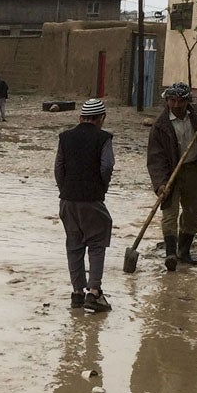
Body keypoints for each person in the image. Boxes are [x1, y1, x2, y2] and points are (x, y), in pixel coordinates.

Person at [147, 82, 197, 270]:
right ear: (167, 101)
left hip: (193, 169)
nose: (176, 105)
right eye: (172, 101)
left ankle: (183, 251)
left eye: (180, 101)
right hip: (170, 173)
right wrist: (160, 184)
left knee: (194, 211)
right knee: (169, 213)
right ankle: (170, 254)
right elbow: (155, 158)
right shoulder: (160, 126)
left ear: (187, 101)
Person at [54, 98, 114, 313]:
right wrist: (101, 187)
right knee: (97, 244)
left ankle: (77, 293)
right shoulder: (104, 138)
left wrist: (66, 190)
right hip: (92, 200)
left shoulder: (65, 137)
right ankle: (95, 293)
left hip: (67, 201)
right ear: (101, 119)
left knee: (74, 245)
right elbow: (107, 166)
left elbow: (58, 168)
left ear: (80, 118)